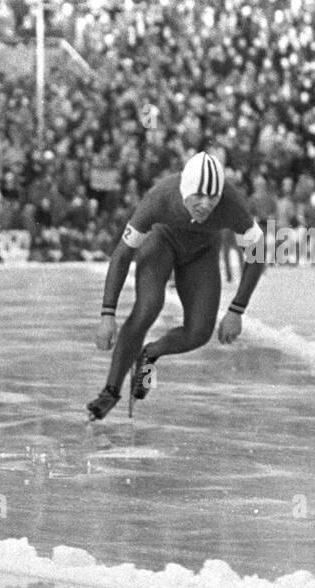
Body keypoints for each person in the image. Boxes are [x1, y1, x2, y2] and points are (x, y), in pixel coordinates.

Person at [87, 152, 265, 420]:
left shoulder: (231, 203)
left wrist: (237, 309)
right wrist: (107, 315)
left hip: (203, 251)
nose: (206, 205)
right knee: (149, 307)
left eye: (213, 197)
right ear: (185, 191)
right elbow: (122, 254)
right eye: (199, 196)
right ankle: (110, 391)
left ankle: (149, 356)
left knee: (199, 332)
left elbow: (258, 251)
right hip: (161, 242)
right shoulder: (160, 197)